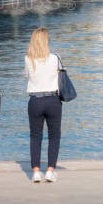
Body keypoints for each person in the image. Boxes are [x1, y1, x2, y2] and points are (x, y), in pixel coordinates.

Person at [25, 27, 62, 183]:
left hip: (35, 101)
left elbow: (27, 76)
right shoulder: (55, 58)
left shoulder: (28, 59)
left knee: (35, 136)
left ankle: (35, 172)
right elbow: (61, 76)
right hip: (53, 100)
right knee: (54, 136)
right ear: (47, 41)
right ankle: (50, 170)